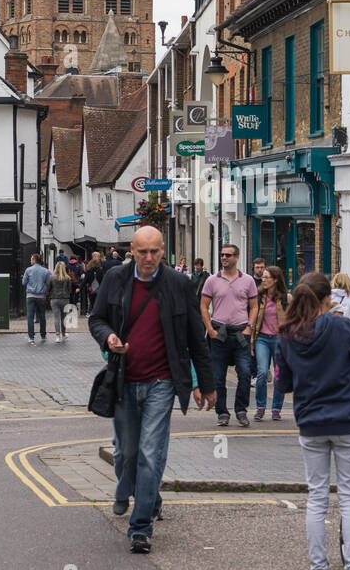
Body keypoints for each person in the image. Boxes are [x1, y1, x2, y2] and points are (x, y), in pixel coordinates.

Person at [88, 226, 215, 553]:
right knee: (127, 452)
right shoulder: (116, 279)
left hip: (161, 382)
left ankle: (140, 527)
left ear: (163, 251)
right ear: (132, 249)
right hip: (124, 381)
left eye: (154, 252)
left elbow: (194, 336)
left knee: (150, 452)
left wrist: (205, 383)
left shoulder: (178, 284)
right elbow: (96, 319)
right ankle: (139, 492)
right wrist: (109, 337)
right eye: (142, 252)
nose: (148, 258)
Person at [275, 272, 350, 570]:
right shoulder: (340, 325)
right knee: (349, 496)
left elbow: (281, 384)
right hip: (347, 419)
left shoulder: (288, 333)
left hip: (310, 422)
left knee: (317, 496)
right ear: (328, 299)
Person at [200, 245, 258, 427]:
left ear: (236, 257)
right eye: (222, 255)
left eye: (228, 255)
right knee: (218, 376)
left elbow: (255, 306)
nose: (224, 258)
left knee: (245, 373)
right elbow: (203, 305)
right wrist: (210, 329)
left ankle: (241, 410)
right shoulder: (212, 280)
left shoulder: (248, 280)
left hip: (241, 333)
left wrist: (249, 327)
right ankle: (222, 412)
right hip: (219, 334)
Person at [250, 265, 290, 421]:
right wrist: (251, 341)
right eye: (263, 277)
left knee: (279, 375)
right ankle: (260, 407)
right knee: (261, 373)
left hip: (280, 340)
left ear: (275, 280)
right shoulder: (259, 296)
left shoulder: (287, 298)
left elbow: (294, 319)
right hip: (262, 339)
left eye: (267, 277)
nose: (263, 280)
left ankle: (276, 408)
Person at [22, 254, 51, 345]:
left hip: (30, 296)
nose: (30, 261)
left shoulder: (28, 270)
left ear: (34, 260)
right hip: (41, 296)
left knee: (30, 317)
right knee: (42, 316)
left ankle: (31, 337)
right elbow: (48, 283)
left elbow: (23, 283)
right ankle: (43, 335)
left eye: (31, 259)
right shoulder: (45, 271)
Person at [47, 261, 74, 343]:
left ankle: (57, 336)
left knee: (56, 318)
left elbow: (48, 288)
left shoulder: (52, 277)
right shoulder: (68, 278)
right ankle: (64, 334)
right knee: (63, 317)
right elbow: (70, 290)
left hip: (54, 299)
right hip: (65, 299)